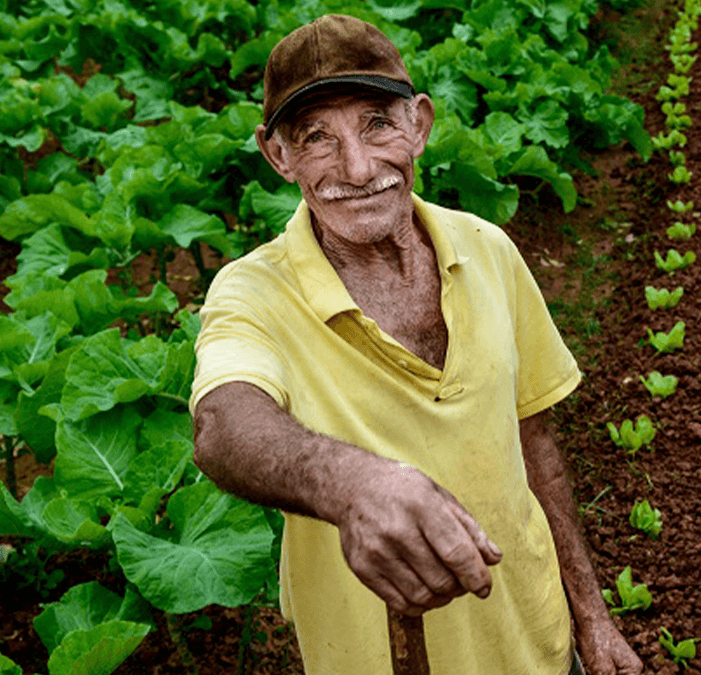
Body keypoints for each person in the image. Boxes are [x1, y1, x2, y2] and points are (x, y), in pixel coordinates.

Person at [189, 14, 643, 675]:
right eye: (317, 137)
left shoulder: (489, 249)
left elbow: (534, 442)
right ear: (278, 155)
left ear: (420, 126)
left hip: (540, 646)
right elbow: (224, 422)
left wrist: (592, 620)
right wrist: (351, 484)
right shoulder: (252, 293)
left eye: (377, 123)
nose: (358, 167)